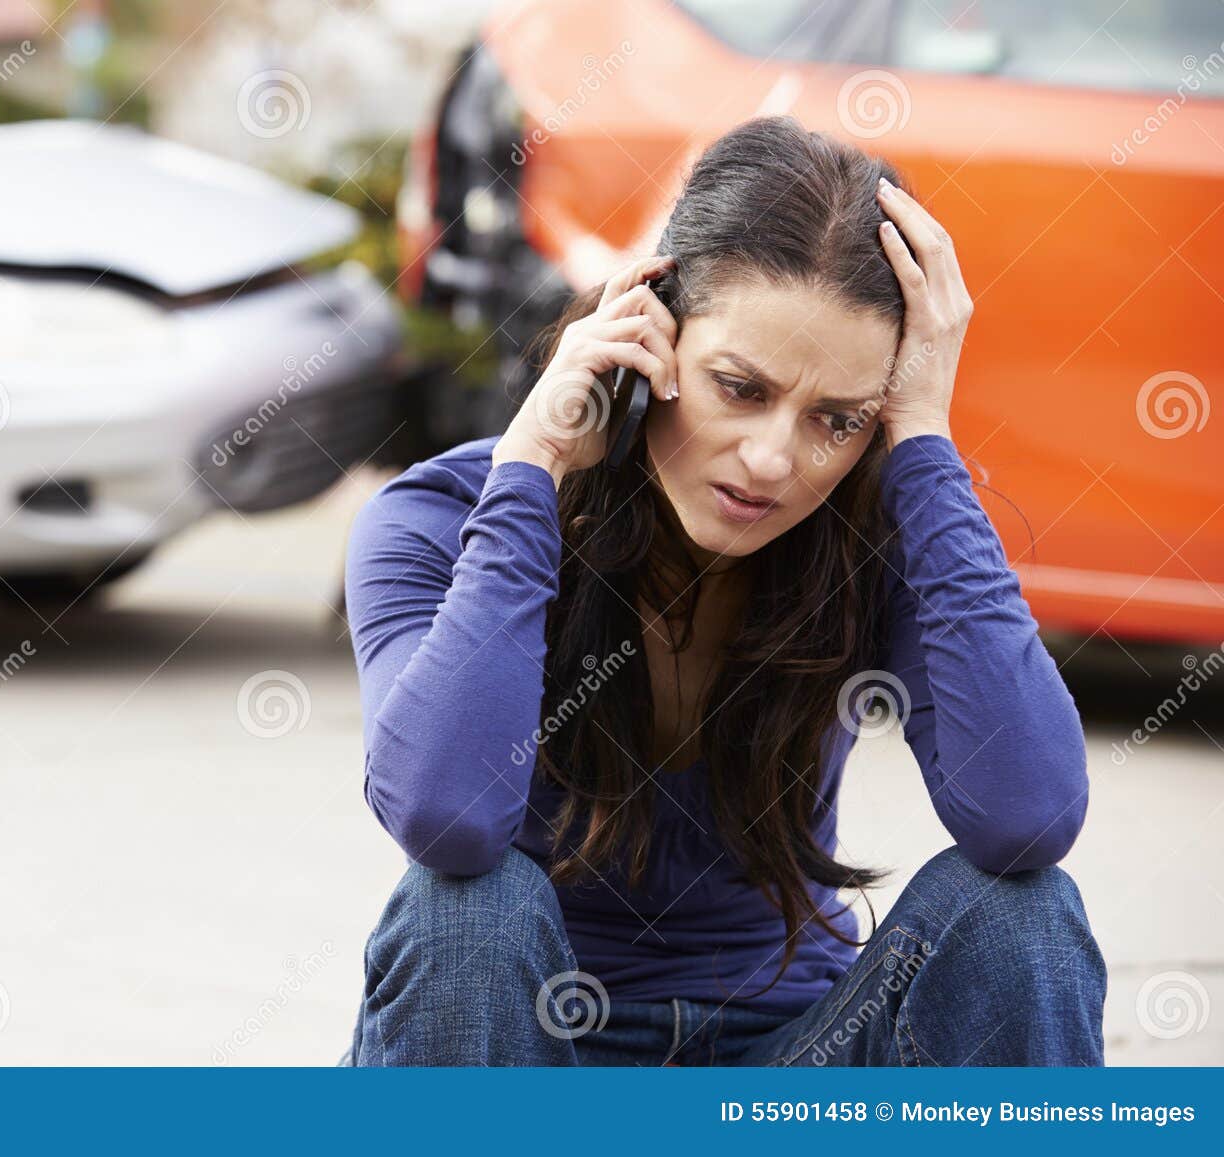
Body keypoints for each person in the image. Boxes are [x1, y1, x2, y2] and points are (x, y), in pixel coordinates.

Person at [338, 116, 1105, 1066]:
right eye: (740, 388)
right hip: (527, 1066)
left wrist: (922, 438)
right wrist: (534, 465)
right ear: (648, 334)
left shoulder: (877, 531)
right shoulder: (436, 519)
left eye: (836, 418)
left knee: (1023, 913)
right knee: (464, 909)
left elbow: (1028, 817)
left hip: (787, 1071)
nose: (774, 459)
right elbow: (444, 819)